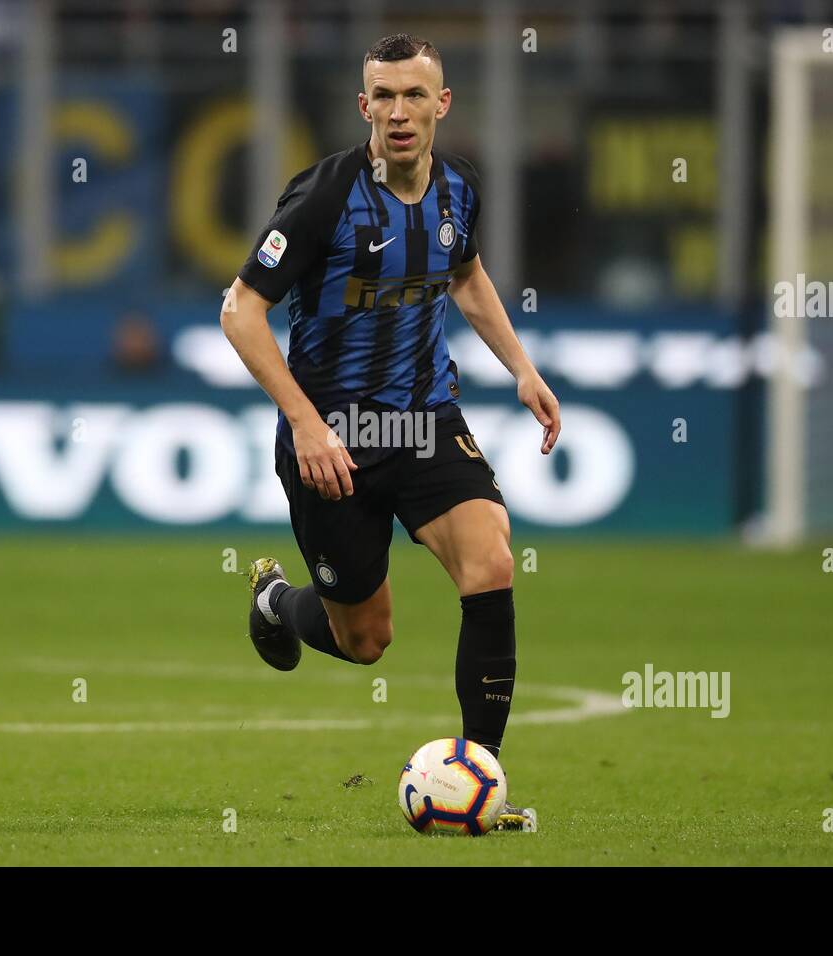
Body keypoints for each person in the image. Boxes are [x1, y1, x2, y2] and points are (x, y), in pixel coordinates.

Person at [220, 34, 560, 829]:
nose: (399, 112)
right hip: (330, 436)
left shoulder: (457, 191)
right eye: (384, 96)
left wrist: (521, 367)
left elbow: (465, 273)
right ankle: (278, 601)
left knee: (492, 562)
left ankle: (484, 780)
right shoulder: (327, 195)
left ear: (442, 105)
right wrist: (304, 424)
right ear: (363, 105)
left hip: (425, 421)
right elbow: (240, 311)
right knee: (366, 639)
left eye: (415, 96)